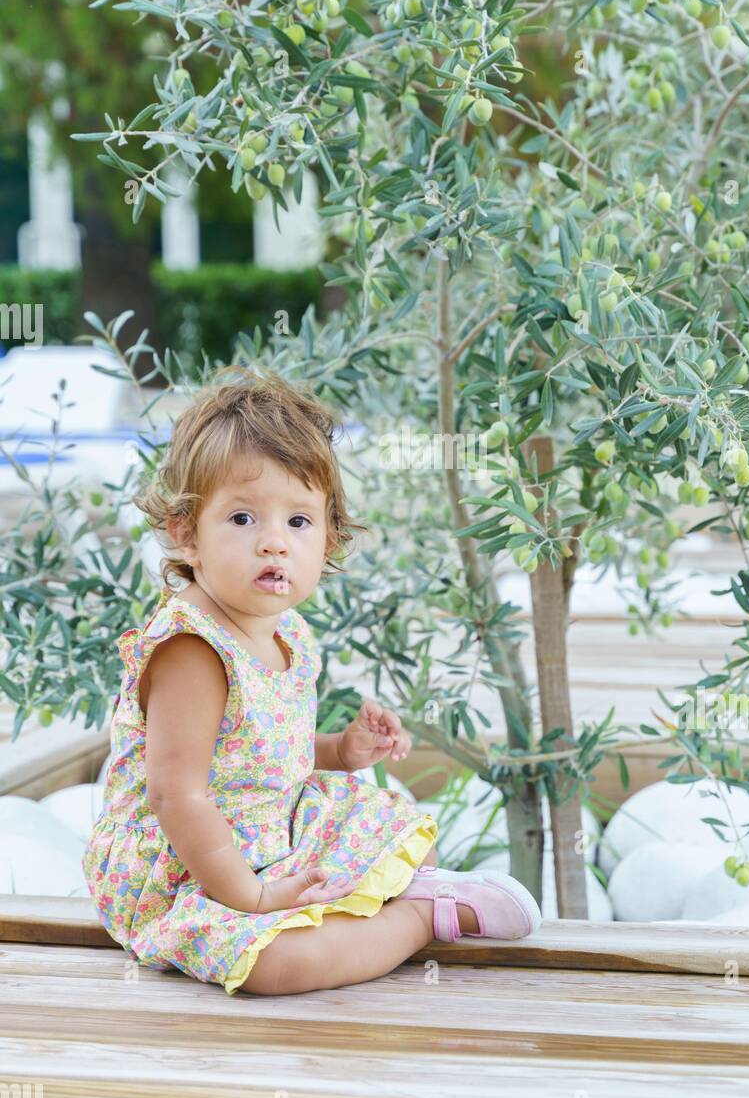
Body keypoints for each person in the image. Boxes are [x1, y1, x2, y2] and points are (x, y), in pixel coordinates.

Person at [81, 365, 541, 997]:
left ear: (328, 539)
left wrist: (341, 752)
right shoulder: (192, 649)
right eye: (243, 519)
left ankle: (383, 903)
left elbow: (260, 755)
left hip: (269, 824)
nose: (274, 543)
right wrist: (252, 895)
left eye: (298, 522)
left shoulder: (284, 629)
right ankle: (418, 917)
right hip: (186, 864)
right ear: (187, 533)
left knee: (402, 835)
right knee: (276, 967)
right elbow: (177, 794)